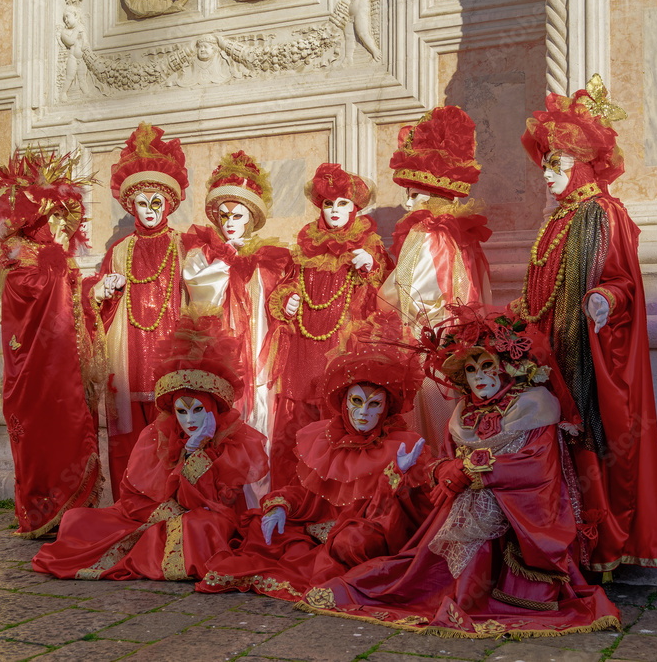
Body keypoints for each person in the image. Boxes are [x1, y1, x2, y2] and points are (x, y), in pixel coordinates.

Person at [298, 306, 620, 639]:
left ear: (506, 368)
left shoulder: (533, 407)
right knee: (421, 558)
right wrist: (451, 470)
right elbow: (441, 462)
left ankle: (477, 593)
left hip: (521, 512)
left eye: (486, 366)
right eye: (470, 369)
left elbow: (538, 466)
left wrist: (481, 475)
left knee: (474, 520)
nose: (479, 377)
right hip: (462, 502)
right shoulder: (463, 414)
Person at [513, 74, 657, 573]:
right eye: (545, 164)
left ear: (581, 163)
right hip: (548, 354)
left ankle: (597, 550)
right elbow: (538, 292)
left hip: (584, 353)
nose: (546, 174)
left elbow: (622, 279)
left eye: (556, 164)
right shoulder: (557, 219)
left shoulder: (604, 213)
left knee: (586, 439)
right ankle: (557, 545)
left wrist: (605, 300)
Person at [199, 315, 431, 600]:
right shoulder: (326, 440)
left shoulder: (403, 446)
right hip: (315, 530)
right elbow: (304, 493)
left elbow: (403, 517)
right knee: (264, 528)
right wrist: (281, 507)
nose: (364, 413)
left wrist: (397, 475)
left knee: (355, 543)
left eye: (375, 405)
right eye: (356, 402)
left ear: (387, 408)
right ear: (343, 402)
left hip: (360, 532)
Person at [32, 311, 269, 580]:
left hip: (206, 518)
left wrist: (195, 454)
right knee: (78, 521)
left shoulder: (235, 442)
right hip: (156, 517)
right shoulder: (155, 437)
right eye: (182, 411)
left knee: (201, 527)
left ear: (214, 408)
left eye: (199, 409)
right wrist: (165, 511)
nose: (190, 420)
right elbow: (131, 498)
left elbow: (213, 503)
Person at [0, 148, 103, 539]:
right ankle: (42, 510)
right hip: (35, 371)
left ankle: (74, 508)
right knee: (39, 431)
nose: (60, 226)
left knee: (66, 423)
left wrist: (89, 290)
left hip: (62, 365)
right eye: (51, 217)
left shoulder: (52, 255)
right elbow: (29, 297)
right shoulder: (17, 258)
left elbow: (69, 295)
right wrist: (58, 272)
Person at [266, 163, 392, 489]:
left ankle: (337, 496)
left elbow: (389, 298)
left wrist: (373, 267)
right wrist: (289, 299)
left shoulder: (369, 244)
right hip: (304, 351)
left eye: (342, 203)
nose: (334, 210)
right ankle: (297, 496)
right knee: (300, 420)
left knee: (340, 417)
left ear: (355, 207)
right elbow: (289, 284)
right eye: (328, 204)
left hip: (345, 350)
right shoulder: (306, 247)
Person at [379, 105, 493, 452]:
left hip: (428, 354)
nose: (406, 203)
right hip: (461, 351)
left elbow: (407, 298)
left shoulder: (427, 232)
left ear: (430, 193)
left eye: (412, 194)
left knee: (430, 432)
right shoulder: (463, 233)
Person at [86, 123, 191, 501]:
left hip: (172, 356)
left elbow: (201, 299)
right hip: (127, 357)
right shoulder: (118, 251)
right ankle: (131, 506)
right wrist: (102, 292)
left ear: (168, 204)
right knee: (128, 435)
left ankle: (175, 504)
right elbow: (98, 305)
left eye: (156, 203)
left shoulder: (184, 245)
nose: (149, 211)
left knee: (176, 429)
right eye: (142, 204)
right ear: (131, 206)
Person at [182, 151, 290, 445]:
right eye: (224, 215)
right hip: (222, 358)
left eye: (237, 215)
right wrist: (226, 257)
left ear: (251, 219)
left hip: (259, 360)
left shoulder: (267, 260)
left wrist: (287, 303)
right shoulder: (202, 254)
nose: (230, 222)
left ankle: (262, 490)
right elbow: (202, 296)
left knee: (260, 422)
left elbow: (278, 303)